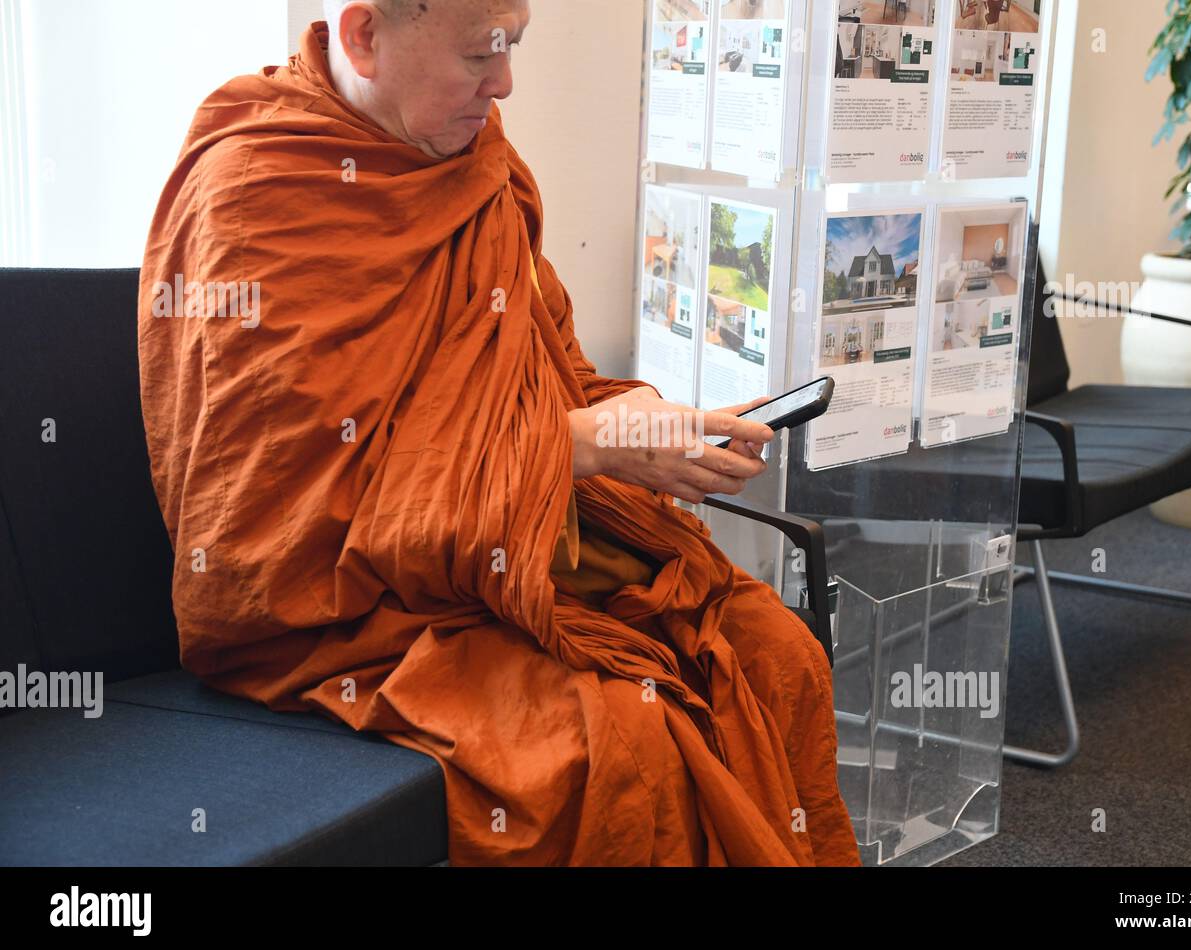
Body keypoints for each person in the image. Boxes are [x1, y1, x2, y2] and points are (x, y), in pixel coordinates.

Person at [137, 0, 861, 866]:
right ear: (365, 35)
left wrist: (655, 432)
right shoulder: (258, 191)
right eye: (482, 53)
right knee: (616, 747)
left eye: (513, 46)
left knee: (772, 651)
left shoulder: (477, 162)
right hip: (353, 614)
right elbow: (294, 518)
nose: (506, 83)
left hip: (506, 550)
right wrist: (587, 445)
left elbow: (546, 373)